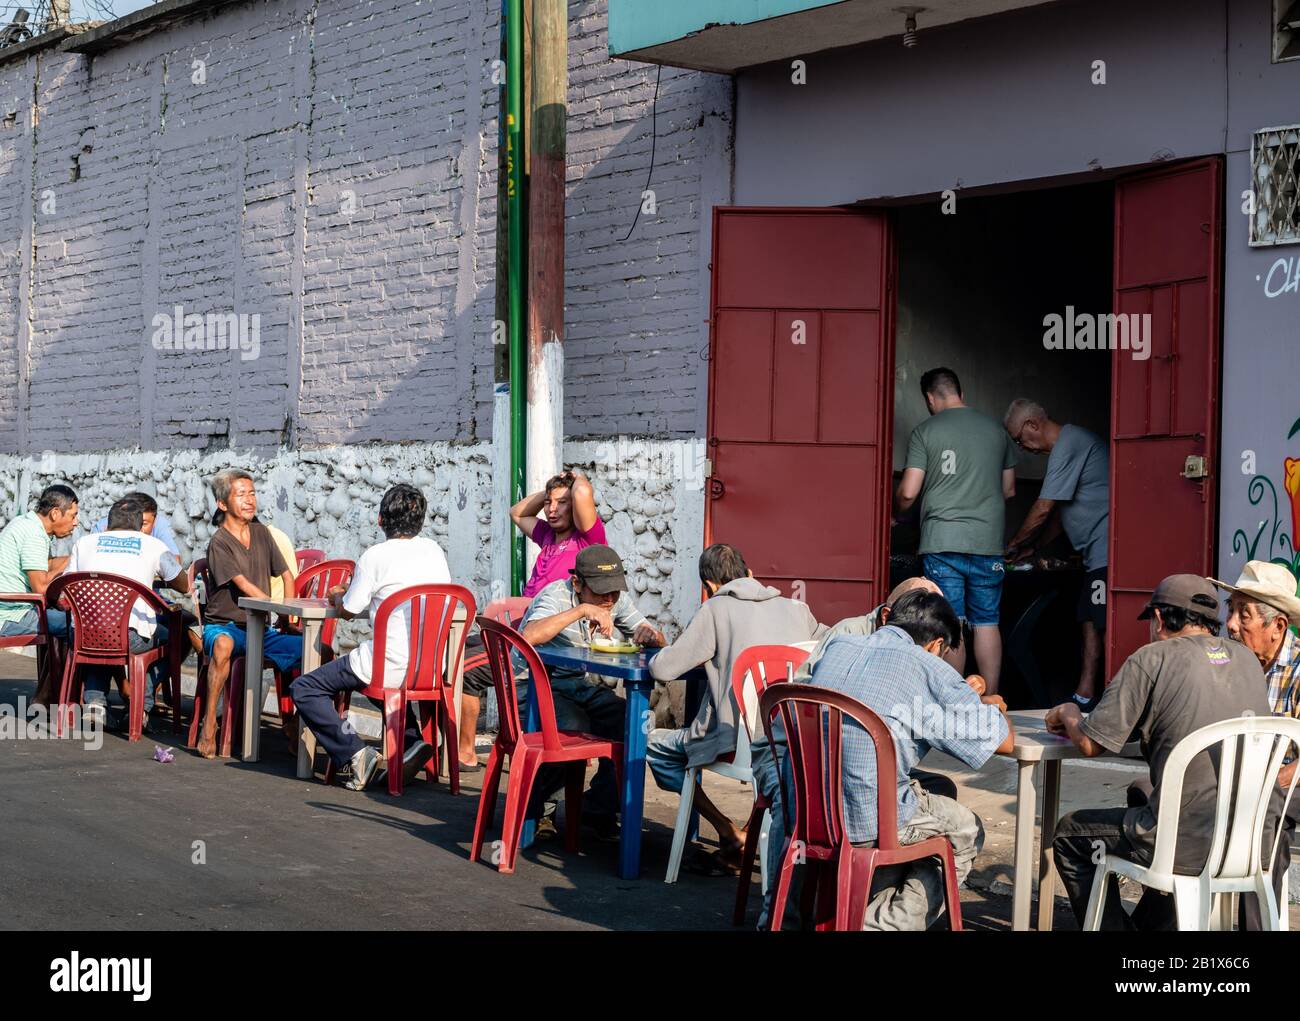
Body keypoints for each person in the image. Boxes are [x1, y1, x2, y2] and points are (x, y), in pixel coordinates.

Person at [1049, 575, 1279, 931]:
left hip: (1186, 846)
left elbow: (1092, 743)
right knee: (1143, 790)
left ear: (1158, 618)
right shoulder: (1248, 660)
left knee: (1068, 835)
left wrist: (1068, 713)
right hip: (1251, 841)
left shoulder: (1151, 658)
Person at [802, 589, 1013, 929]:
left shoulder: (839, 646)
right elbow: (1003, 741)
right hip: (867, 817)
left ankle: (862, 908)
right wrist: (996, 705)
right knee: (966, 831)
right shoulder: (924, 663)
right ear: (936, 644)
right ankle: (877, 926)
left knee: (938, 788)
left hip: (811, 809)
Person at [646, 543, 825, 872]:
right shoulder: (798, 609)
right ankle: (743, 836)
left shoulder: (715, 609)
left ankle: (727, 830)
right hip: (792, 741)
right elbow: (826, 647)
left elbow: (664, 669)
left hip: (739, 743)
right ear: (751, 575)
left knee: (655, 746)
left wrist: (655, 649)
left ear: (710, 587)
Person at [290, 484, 450, 791]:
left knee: (306, 688)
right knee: (377, 678)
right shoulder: (434, 551)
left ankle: (355, 754)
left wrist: (338, 594)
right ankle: (411, 741)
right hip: (429, 666)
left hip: (387, 664)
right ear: (421, 521)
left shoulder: (375, 556)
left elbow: (349, 610)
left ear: (380, 520)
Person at [519, 544, 666, 840]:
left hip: (575, 686)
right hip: (531, 688)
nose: (608, 600)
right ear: (577, 584)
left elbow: (657, 639)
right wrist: (582, 610)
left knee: (628, 721)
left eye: (613, 592)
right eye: (600, 593)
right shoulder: (554, 596)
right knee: (574, 728)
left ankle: (596, 807)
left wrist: (652, 637)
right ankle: (538, 805)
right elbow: (529, 636)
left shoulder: (614, 600)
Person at [896, 368, 1017, 693]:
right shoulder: (996, 430)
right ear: (959, 392)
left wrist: (899, 514)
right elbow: (1009, 490)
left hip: (942, 541)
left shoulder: (926, 431)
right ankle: (991, 701)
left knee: (953, 623)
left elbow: (908, 491)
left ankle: (951, 701)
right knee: (987, 621)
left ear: (930, 398)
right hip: (987, 542)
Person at [1003, 399, 1109, 711]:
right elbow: (1061, 515)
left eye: (1019, 439)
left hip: (1105, 553)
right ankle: (1085, 693)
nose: (1022, 447)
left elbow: (1044, 507)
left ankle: (1089, 696)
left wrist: (1011, 545)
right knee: (1088, 617)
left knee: (1095, 620)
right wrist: (1034, 548)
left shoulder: (1070, 442)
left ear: (1033, 425)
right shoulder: (1067, 448)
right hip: (1093, 556)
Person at [1211, 560, 1300, 929]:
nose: (1231, 624)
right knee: (1170, 804)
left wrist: (1271, 781)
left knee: (1261, 819)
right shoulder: (1227, 660)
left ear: (1277, 626)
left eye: (1243, 614)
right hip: (1245, 778)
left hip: (1289, 780)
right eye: (1231, 610)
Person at [196, 469, 302, 759]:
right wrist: (274, 605)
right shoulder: (219, 541)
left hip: (262, 630)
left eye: (252, 493)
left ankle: (295, 723)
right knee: (223, 645)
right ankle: (209, 726)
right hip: (226, 626)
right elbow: (243, 585)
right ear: (222, 504)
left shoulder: (261, 532)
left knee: (315, 650)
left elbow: (287, 575)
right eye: (241, 494)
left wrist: (287, 616)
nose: (249, 500)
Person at [69, 496, 190, 730]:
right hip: (131, 638)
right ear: (138, 524)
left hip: (83, 636)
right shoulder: (151, 545)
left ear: (109, 523)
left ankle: (95, 704)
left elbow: (65, 584)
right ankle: (141, 706)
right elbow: (183, 585)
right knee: (177, 636)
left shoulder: (83, 543)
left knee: (99, 631)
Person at [0, 485, 79, 679]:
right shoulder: (34, 534)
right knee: (81, 627)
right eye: (72, 515)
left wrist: (76, 557)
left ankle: (48, 693)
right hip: (11, 615)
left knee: (69, 622)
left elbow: (45, 565)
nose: (75, 523)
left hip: (16, 609)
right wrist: (71, 561)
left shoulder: (26, 523)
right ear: (55, 513)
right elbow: (41, 588)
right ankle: (51, 693)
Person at [92, 491, 180, 555]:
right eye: (133, 521)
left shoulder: (160, 525)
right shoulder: (102, 527)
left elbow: (174, 560)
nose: (139, 529)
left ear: (155, 521)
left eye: (144, 524)